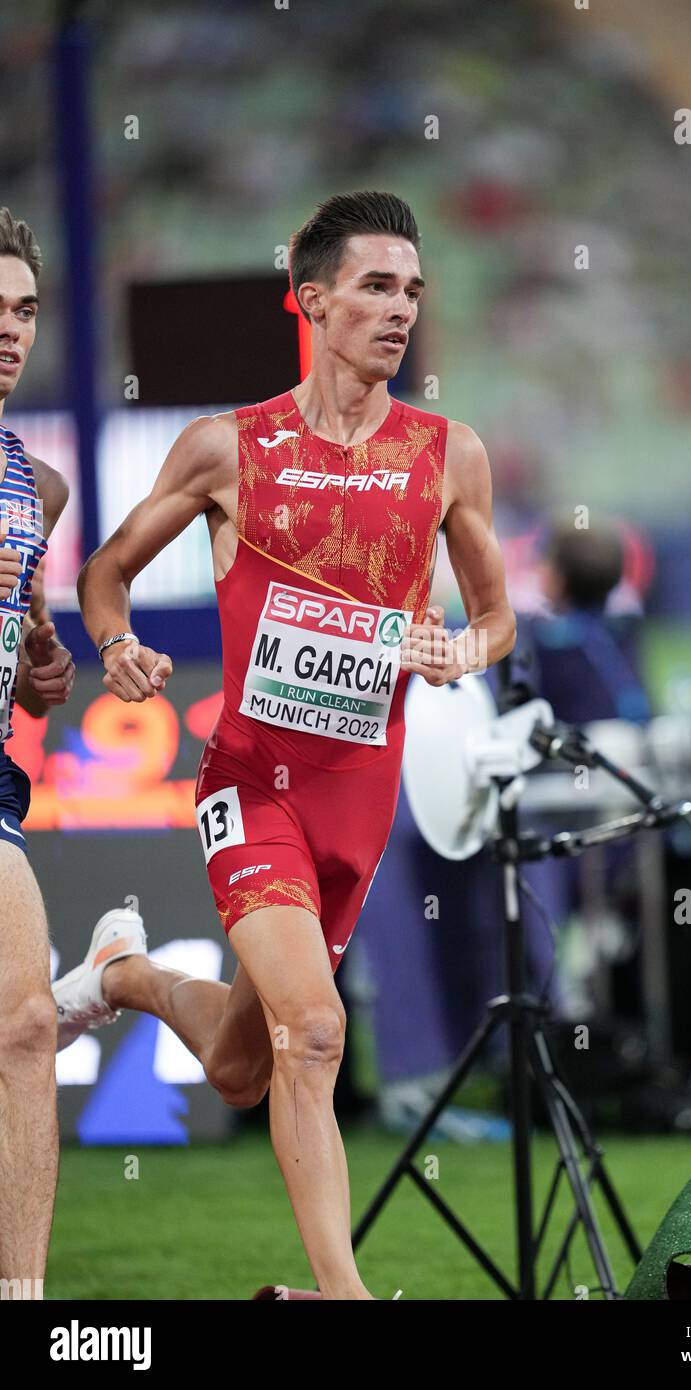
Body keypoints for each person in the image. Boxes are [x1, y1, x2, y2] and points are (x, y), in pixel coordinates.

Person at [54, 191, 516, 1299]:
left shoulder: (449, 454)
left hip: (362, 805)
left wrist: (458, 651)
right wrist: (115, 646)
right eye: (373, 285)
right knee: (315, 1033)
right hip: (253, 788)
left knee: (240, 1064)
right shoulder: (229, 446)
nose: (398, 309)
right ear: (310, 300)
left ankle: (125, 973)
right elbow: (104, 571)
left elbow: (497, 618)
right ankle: (341, 1296)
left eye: (410, 289)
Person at [0, 207, 76, 1296]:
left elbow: (26, 641)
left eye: (22, 310)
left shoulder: (35, 485)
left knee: (23, 1022)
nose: (9, 330)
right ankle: (107, 987)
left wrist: (37, 663)